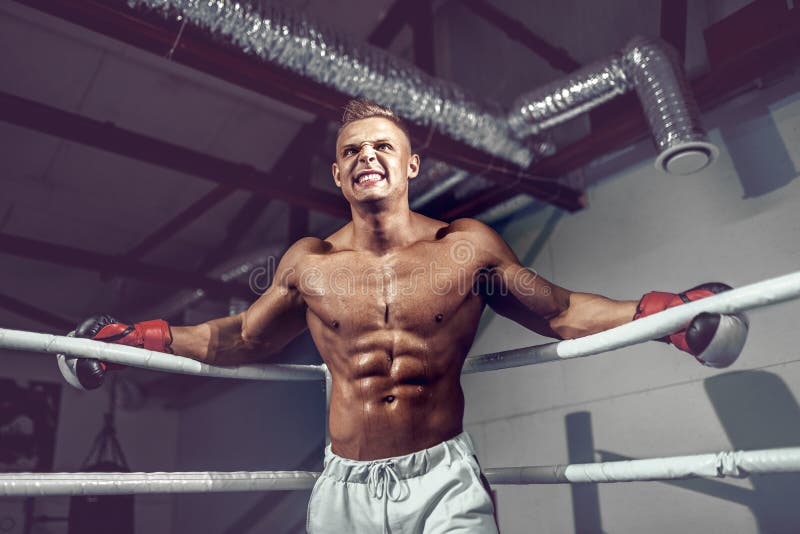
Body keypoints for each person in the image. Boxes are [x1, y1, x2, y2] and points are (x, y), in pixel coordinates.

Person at [59, 100, 748, 533]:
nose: (367, 156)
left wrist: (661, 315)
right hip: (345, 487)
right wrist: (138, 339)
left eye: (382, 146)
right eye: (351, 151)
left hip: (442, 479)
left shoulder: (466, 247)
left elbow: (560, 312)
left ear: (411, 165)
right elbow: (241, 337)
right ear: (338, 175)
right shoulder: (310, 262)